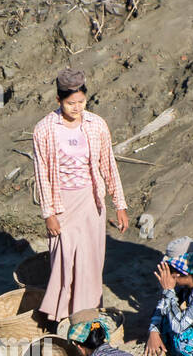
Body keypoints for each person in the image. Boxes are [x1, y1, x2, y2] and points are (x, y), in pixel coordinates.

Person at [32, 68, 128, 323]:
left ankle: (87, 312)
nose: (76, 108)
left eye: (81, 102)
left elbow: (108, 164)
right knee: (64, 258)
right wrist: (48, 214)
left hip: (91, 201)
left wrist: (120, 205)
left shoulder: (96, 125)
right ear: (58, 100)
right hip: (62, 202)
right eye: (70, 103)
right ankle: (62, 313)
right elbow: (42, 174)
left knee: (90, 258)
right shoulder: (44, 129)